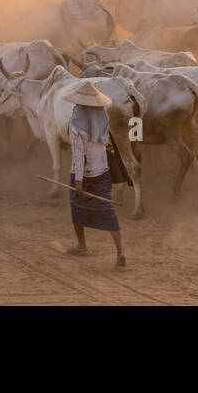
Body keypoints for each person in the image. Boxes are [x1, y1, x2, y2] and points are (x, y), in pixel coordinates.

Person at [64, 81, 126, 269]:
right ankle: (120, 252)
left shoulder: (76, 124)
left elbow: (78, 155)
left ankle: (82, 245)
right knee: (108, 211)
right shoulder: (103, 119)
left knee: (76, 206)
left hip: (83, 174)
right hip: (103, 171)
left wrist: (79, 182)